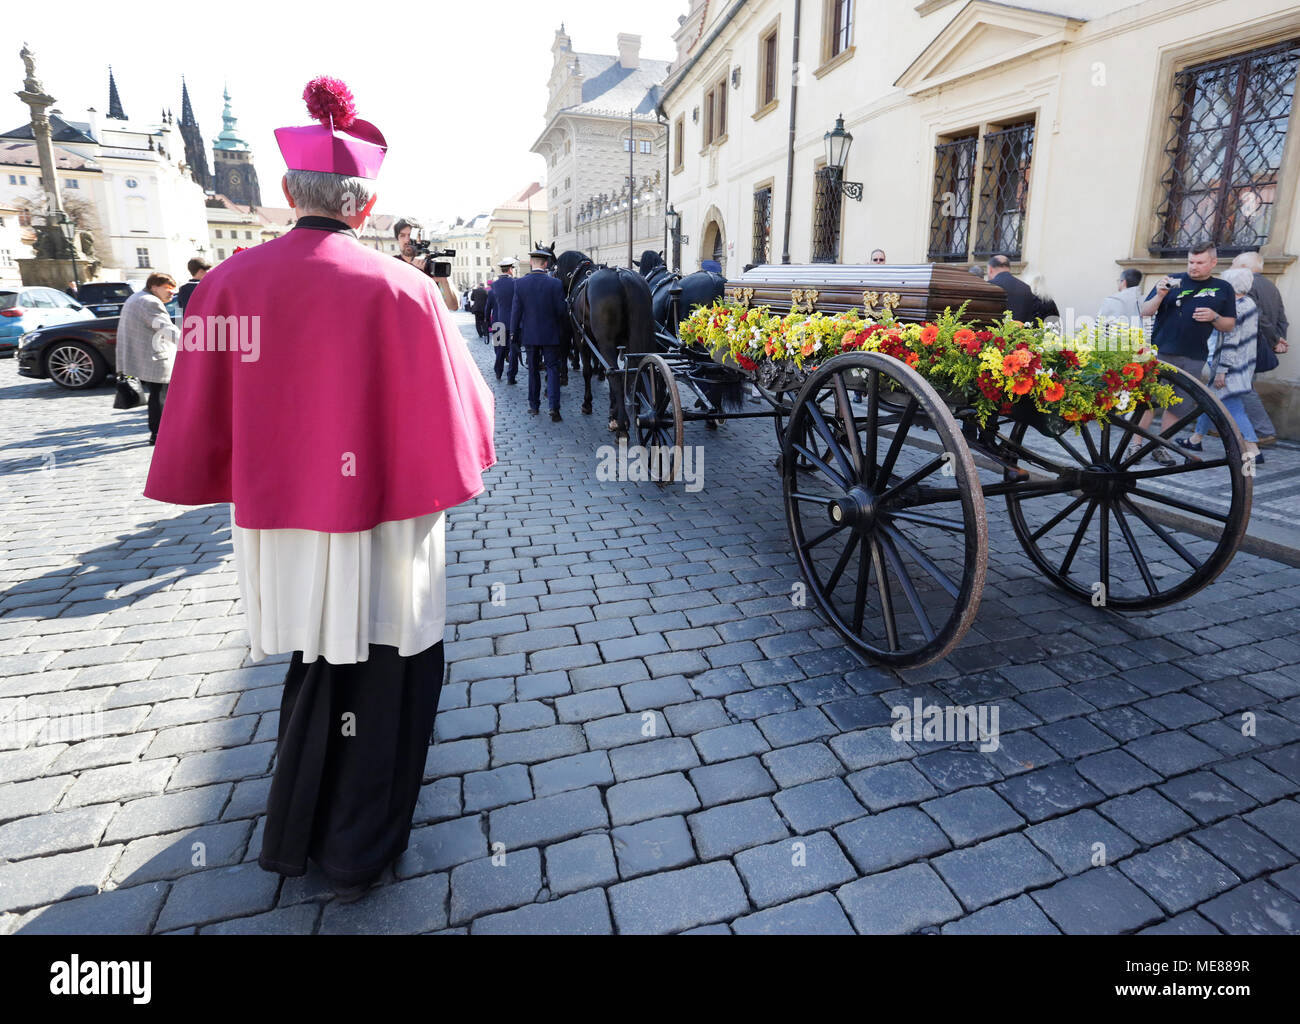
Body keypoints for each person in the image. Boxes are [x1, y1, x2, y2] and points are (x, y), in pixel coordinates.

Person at [143, 76, 496, 899]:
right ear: (364, 207)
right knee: (391, 661)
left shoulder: (228, 283)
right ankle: (355, 846)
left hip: (284, 522)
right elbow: (467, 413)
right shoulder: (406, 288)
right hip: (386, 519)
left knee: (316, 654)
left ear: (284, 192)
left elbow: (196, 407)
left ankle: (301, 817)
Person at [1135, 240, 1236, 465]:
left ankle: (1160, 447)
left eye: (1200, 262)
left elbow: (1229, 325)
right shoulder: (1171, 280)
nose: (1194, 266)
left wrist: (1214, 317)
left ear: (1213, 262)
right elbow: (1145, 311)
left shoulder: (1223, 288)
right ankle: (1135, 446)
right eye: (1191, 261)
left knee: (1177, 405)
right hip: (1159, 352)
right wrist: (1160, 295)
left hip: (1193, 356)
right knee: (1147, 401)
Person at [1176, 267, 1262, 465]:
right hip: (1241, 364)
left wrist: (1223, 370)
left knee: (1233, 406)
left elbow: (1231, 340)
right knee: (1210, 400)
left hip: (1231, 366)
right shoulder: (1248, 302)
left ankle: (1253, 448)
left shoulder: (1237, 307)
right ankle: (1196, 439)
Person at [116, 272, 179, 446]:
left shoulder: (137, 297)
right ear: (154, 286)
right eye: (167, 288)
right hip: (155, 356)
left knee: (158, 395)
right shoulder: (150, 302)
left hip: (143, 354)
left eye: (173, 289)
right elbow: (167, 328)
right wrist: (190, 344)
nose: (171, 292)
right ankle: (158, 433)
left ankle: (158, 432)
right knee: (160, 396)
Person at [1232, 252, 1287, 446]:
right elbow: (1281, 318)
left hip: (1249, 345)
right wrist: (1280, 339)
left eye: (1235, 265)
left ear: (1245, 267)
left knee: (1244, 388)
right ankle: (1225, 427)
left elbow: (1259, 317)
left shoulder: (1247, 284)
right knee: (1234, 387)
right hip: (1260, 346)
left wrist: (1274, 340)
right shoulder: (1271, 286)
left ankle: (1264, 431)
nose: (1232, 270)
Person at [511, 244, 567, 421]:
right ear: (545, 264)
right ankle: (554, 408)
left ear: (531, 263)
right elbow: (561, 311)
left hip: (530, 334)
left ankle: (534, 406)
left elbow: (516, 311)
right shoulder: (556, 283)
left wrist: (514, 334)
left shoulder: (520, 283)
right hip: (551, 334)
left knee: (533, 370)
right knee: (552, 369)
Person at [394, 217, 458, 311]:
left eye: (411, 235)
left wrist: (444, 281)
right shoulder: (392, 265)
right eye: (402, 235)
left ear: (421, 238)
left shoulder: (434, 266)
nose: (407, 240)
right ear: (397, 239)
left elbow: (453, 306)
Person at [486, 259, 519, 382]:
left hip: (499, 321)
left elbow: (488, 306)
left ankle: (498, 371)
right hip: (513, 322)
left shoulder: (494, 285)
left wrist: (487, 322)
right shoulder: (516, 283)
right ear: (510, 269)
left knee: (500, 349)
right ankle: (511, 376)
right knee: (514, 350)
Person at [986, 255, 1037, 321]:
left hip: (995, 329)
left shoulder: (989, 286)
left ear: (990, 269)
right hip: (1021, 329)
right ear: (1009, 268)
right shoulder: (1025, 288)